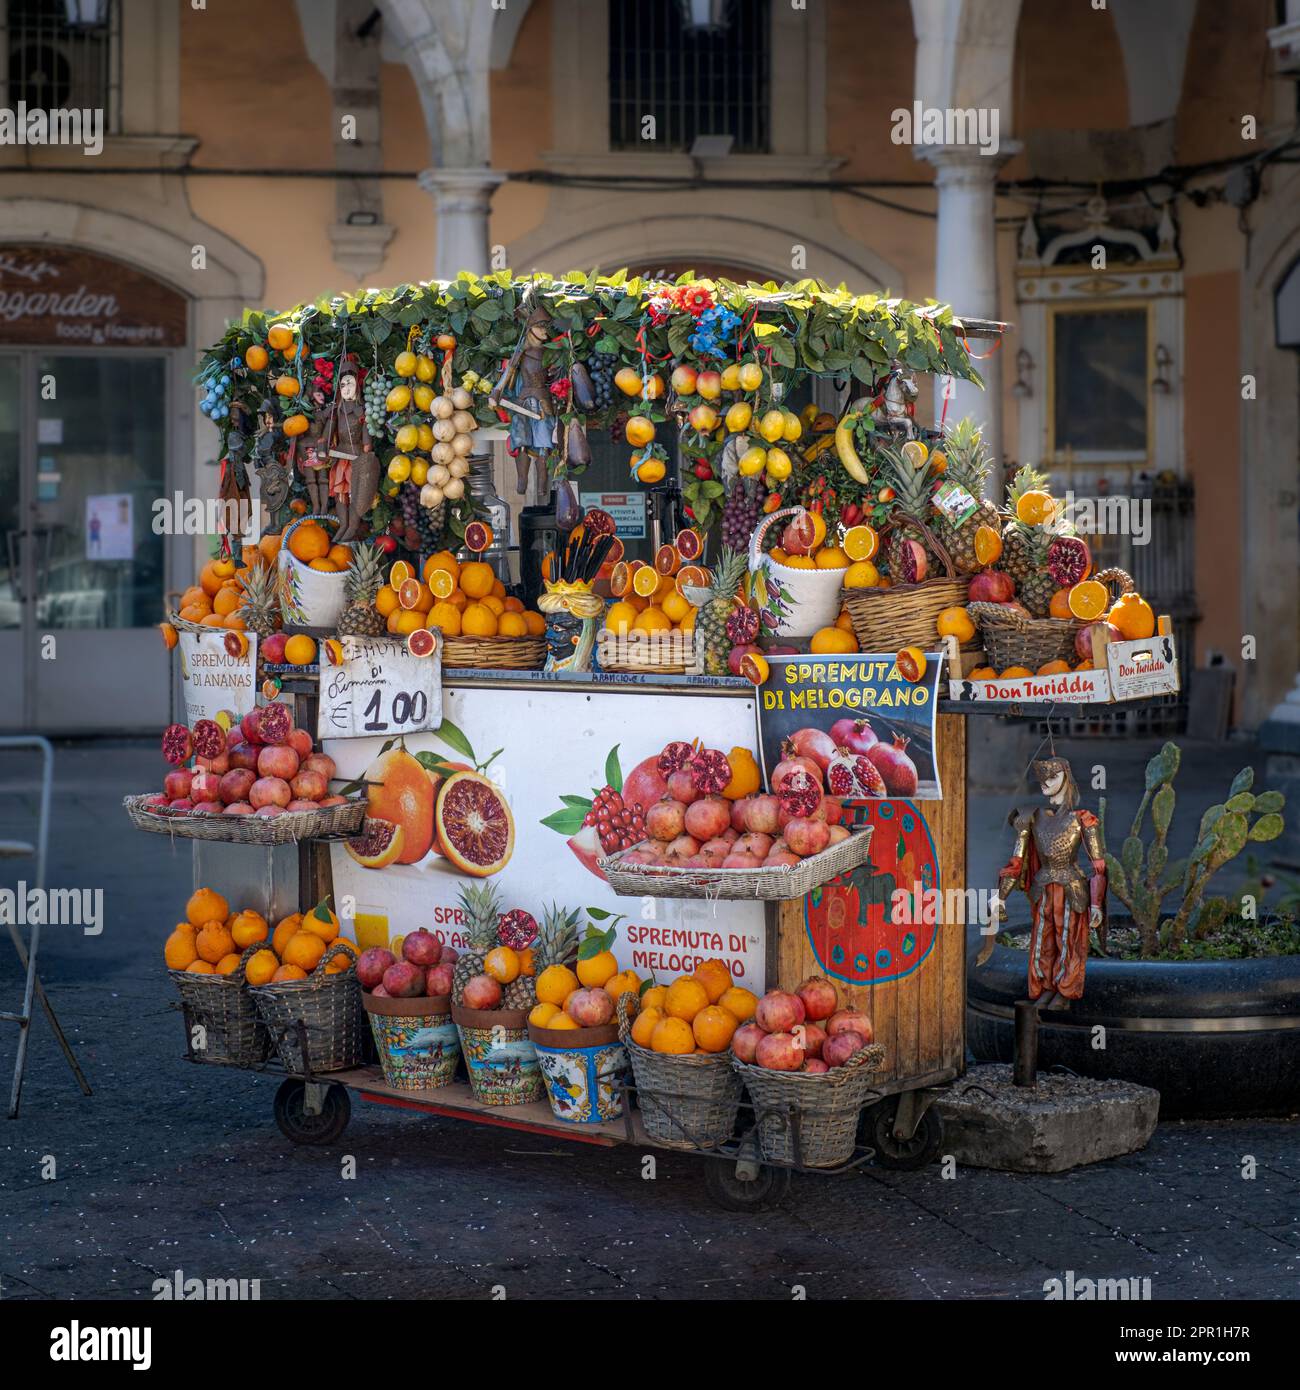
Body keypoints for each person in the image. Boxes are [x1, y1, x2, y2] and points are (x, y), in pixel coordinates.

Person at [981, 756, 1107, 1009]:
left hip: (1071, 888)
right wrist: (1000, 897)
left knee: (1068, 939)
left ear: (1066, 777)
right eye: (1043, 778)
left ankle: (1065, 990)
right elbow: (1016, 862)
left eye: (1053, 776)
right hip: (1043, 888)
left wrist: (1096, 903)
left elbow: (1099, 867)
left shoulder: (1083, 820)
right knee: (1042, 939)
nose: (1046, 782)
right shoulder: (1030, 817)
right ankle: (1046, 988)